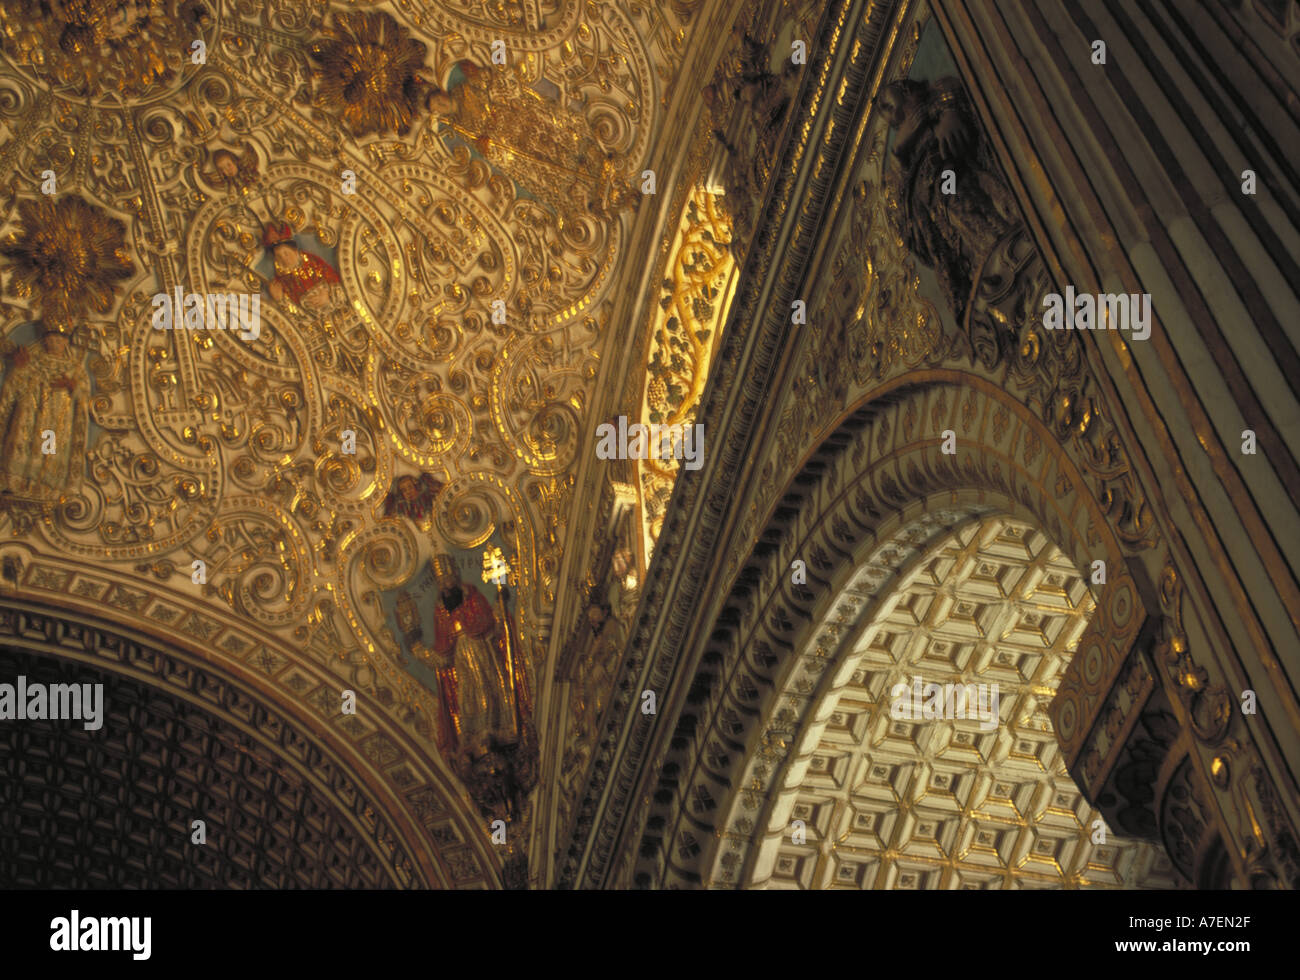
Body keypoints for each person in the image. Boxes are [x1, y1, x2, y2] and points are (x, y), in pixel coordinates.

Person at [0, 325, 90, 503]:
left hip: (56, 423)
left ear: (66, 342)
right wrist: (20, 369)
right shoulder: (33, 362)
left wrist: (73, 387)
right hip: (30, 421)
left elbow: (84, 398)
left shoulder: (74, 369)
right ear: (45, 339)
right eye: (52, 338)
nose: (56, 342)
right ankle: (17, 484)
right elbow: (15, 389)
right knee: (23, 446)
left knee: (50, 454)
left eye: (60, 339)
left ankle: (46, 488)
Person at [262, 222, 349, 316]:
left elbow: (337, 283)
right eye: (279, 256)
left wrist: (329, 295)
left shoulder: (312, 262)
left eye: (286, 253)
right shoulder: (281, 281)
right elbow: (294, 315)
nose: (284, 259)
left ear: (295, 251)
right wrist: (280, 300)